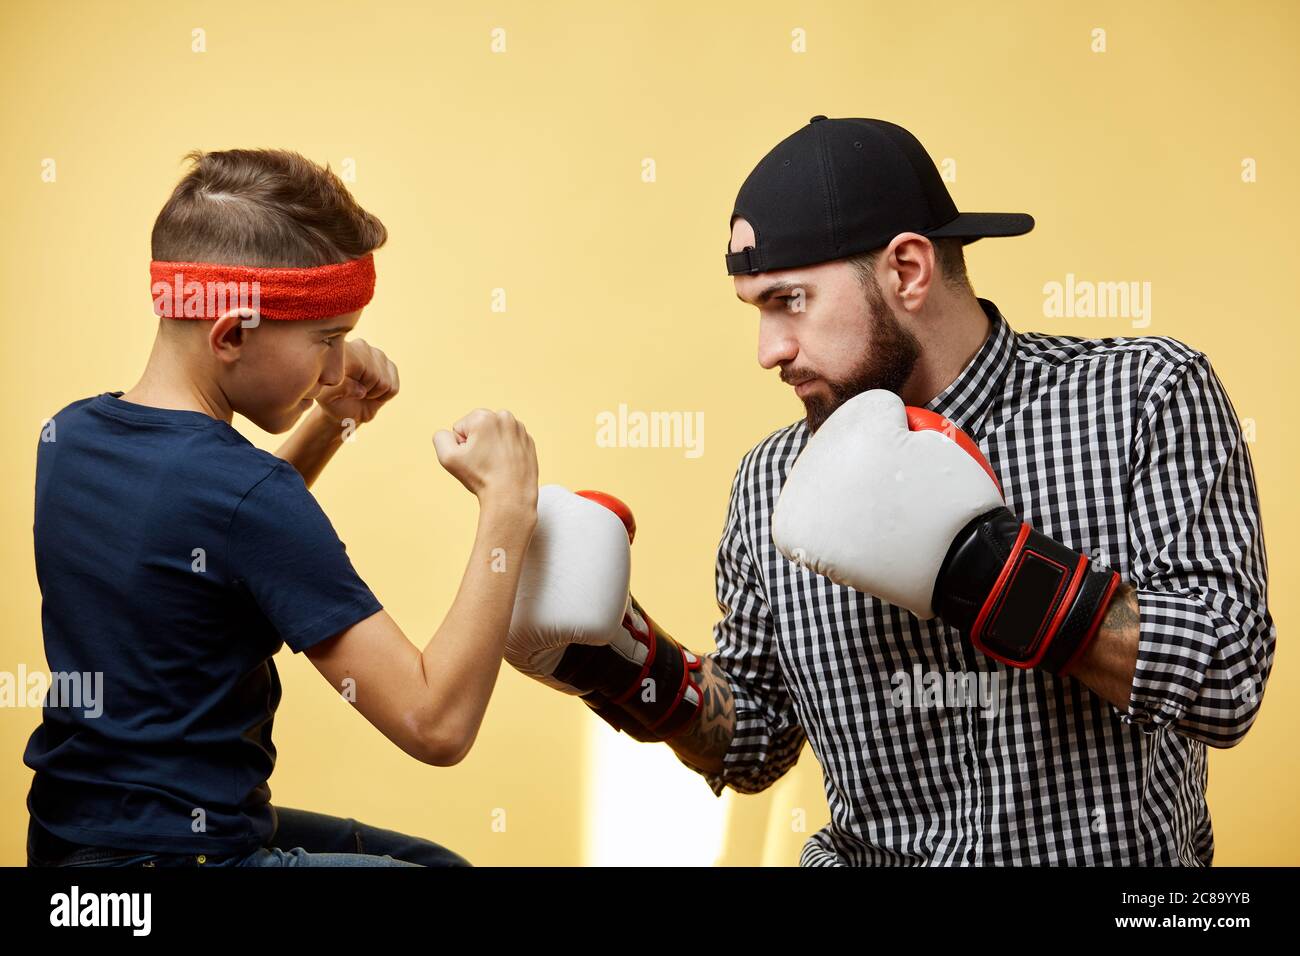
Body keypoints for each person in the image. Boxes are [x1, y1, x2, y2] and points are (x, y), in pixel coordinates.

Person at [502, 116, 1276, 866]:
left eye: (789, 301)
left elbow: (1229, 680)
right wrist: (620, 662)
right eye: (755, 309)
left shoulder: (1142, 398)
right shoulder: (771, 479)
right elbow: (756, 739)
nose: (768, 351)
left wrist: (987, 570)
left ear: (908, 270)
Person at [24, 148, 539, 867]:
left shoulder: (70, 437)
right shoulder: (247, 495)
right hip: (181, 860)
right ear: (231, 333)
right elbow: (435, 724)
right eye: (326, 339)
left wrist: (329, 420)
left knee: (431, 863)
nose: (337, 366)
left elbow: (211, 544)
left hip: (78, 854)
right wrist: (507, 506)